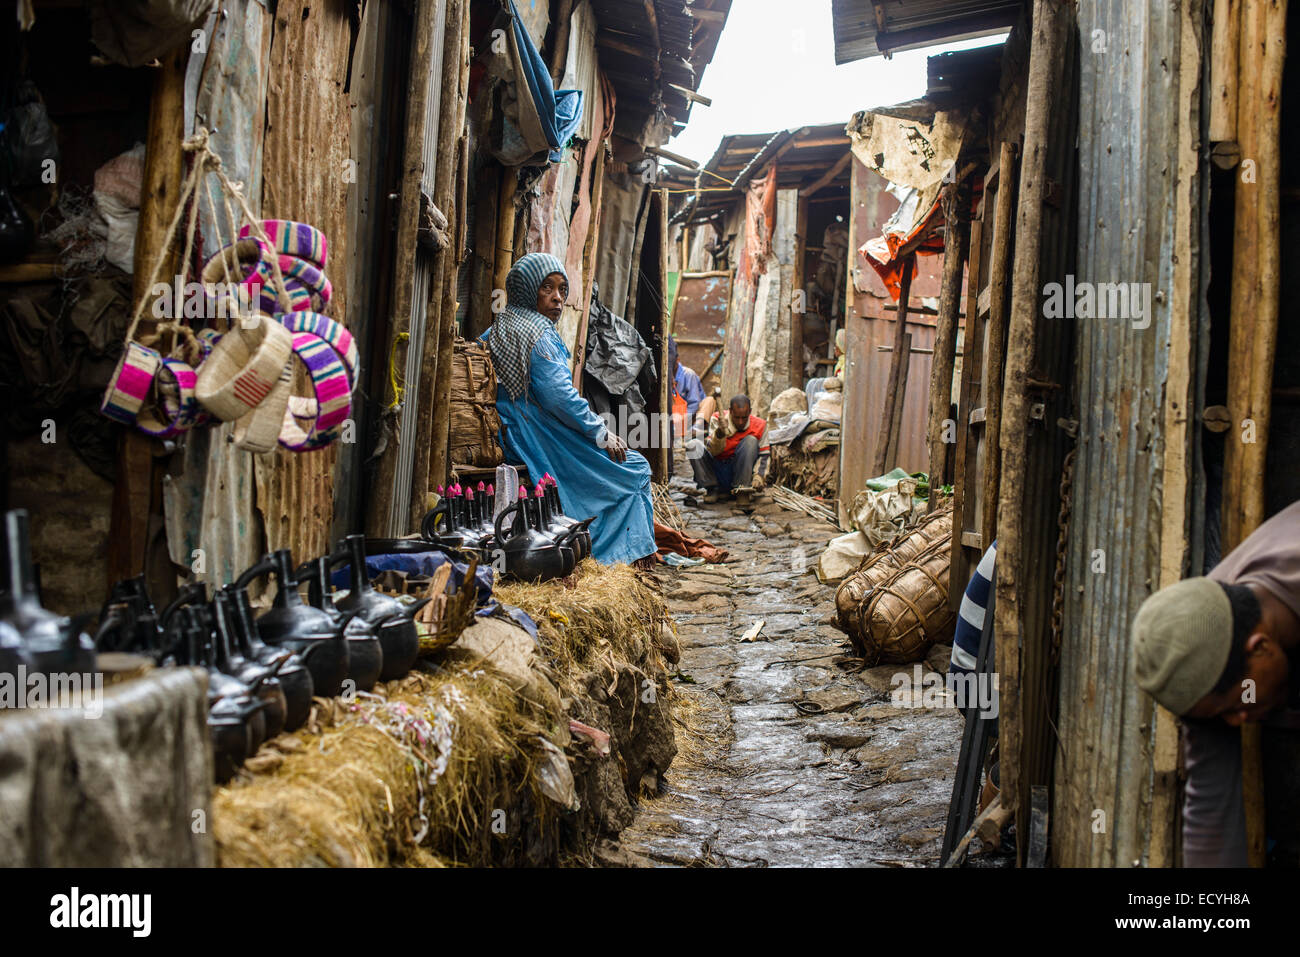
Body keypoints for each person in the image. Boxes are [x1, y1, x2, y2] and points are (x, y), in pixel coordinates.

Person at [1131, 500, 1300, 866]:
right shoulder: (1207, 634)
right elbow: (1212, 810)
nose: (1236, 722)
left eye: (1239, 705)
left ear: (1260, 648)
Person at [482, 253, 656, 566]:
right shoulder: (539, 335)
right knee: (636, 469)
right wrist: (601, 433)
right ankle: (610, 555)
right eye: (546, 288)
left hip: (513, 432)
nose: (557, 298)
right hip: (543, 434)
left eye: (562, 289)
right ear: (526, 289)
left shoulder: (497, 328)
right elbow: (559, 398)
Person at [686, 393, 768, 503]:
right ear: (730, 411)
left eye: (744, 418)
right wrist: (719, 433)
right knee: (693, 445)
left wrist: (759, 476)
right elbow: (713, 451)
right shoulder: (717, 418)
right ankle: (712, 489)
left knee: (751, 441)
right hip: (717, 470)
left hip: (739, 471)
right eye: (736, 417)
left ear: (750, 412)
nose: (740, 422)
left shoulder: (761, 425)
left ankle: (741, 490)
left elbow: (765, 456)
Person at [667, 336, 705, 444]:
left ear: (677, 361)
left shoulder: (688, 374)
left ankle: (694, 430)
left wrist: (681, 419)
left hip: (691, 416)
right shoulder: (665, 377)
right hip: (675, 418)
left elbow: (694, 403)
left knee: (709, 401)